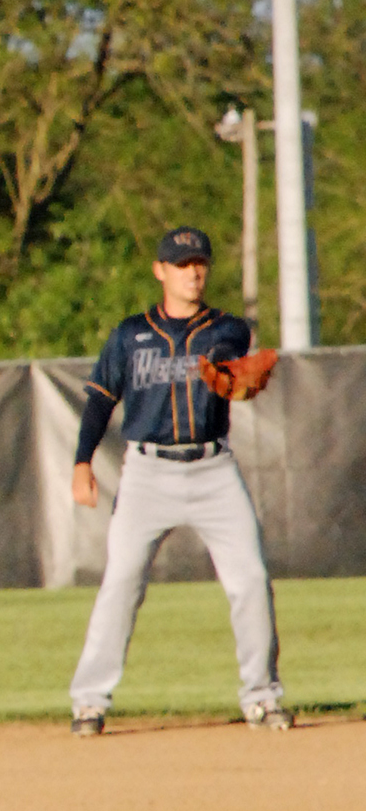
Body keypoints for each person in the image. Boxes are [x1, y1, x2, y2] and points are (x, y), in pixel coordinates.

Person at [67, 226, 288, 737]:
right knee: (120, 582)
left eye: (200, 264)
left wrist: (235, 375)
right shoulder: (129, 335)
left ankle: (261, 695)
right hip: (147, 474)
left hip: (214, 470)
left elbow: (233, 353)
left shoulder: (227, 329)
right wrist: (82, 461)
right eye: (183, 263)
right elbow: (101, 398)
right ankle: (89, 702)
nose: (194, 272)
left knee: (251, 580)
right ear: (160, 271)